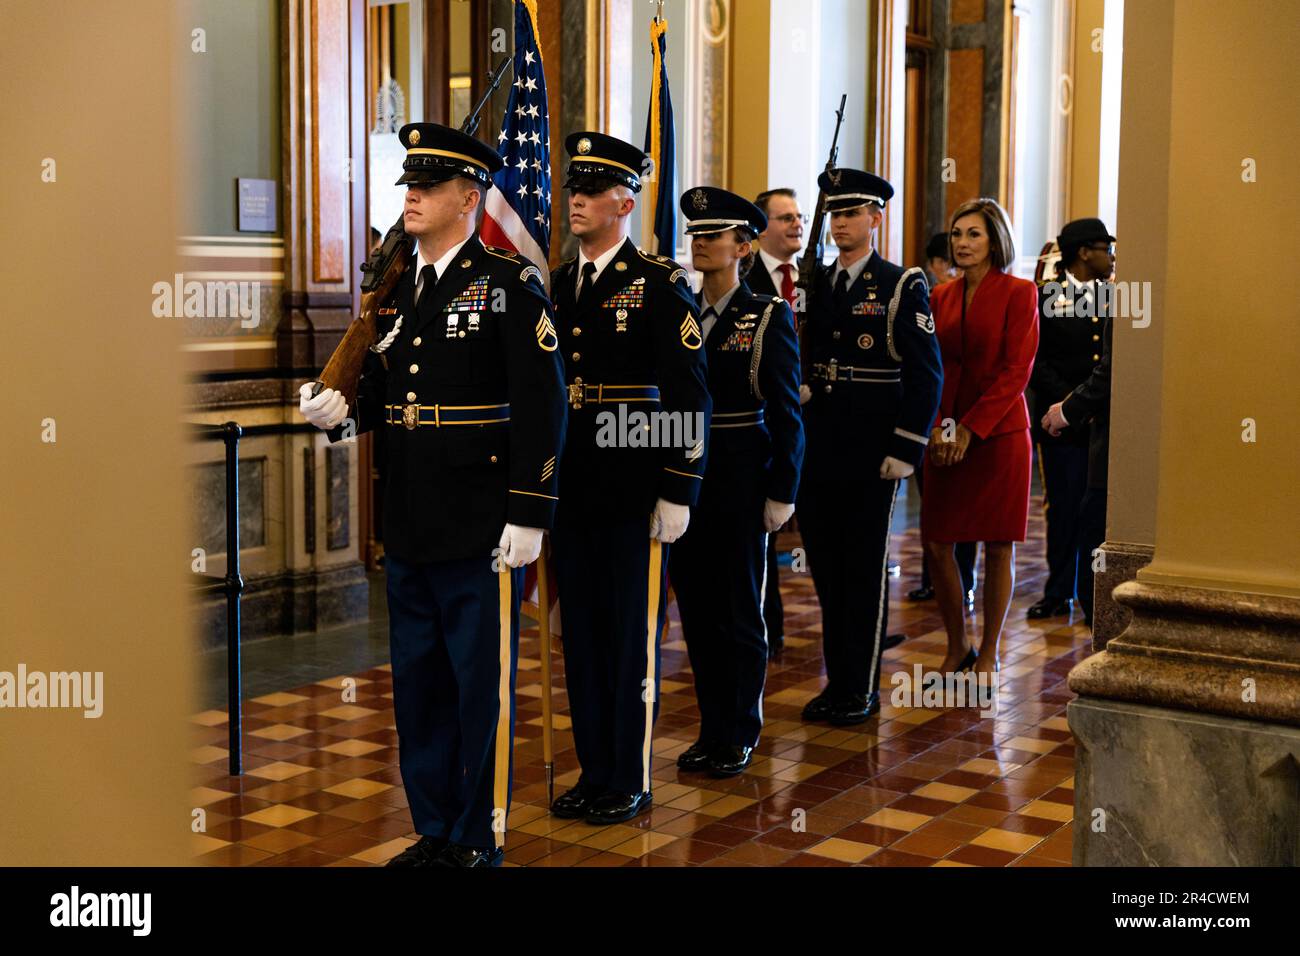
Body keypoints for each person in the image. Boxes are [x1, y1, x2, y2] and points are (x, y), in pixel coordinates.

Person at [298, 122, 566, 867]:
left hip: (483, 520)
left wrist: (530, 512)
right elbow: (392, 392)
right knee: (418, 684)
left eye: (429, 185)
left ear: (468, 199)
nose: (410, 196)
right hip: (411, 515)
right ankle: (436, 827)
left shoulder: (510, 285)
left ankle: (478, 835)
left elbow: (545, 405)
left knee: (479, 685)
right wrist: (341, 412)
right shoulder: (402, 289)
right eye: (409, 184)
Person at [547, 132, 711, 825]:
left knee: (627, 638)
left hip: (631, 488)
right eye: (571, 190)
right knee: (580, 636)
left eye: (590, 191)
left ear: (624, 200)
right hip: (572, 488)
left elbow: (689, 394)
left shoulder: (657, 283)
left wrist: (677, 487)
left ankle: (629, 773)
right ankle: (594, 769)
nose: (575, 201)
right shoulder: (557, 284)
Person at [797, 168, 943, 724]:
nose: (840, 224)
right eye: (834, 214)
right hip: (820, 445)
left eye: (851, 213)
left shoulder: (900, 283)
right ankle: (839, 681)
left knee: (861, 568)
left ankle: (859, 687)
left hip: (870, 449)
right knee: (828, 573)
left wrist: (908, 446)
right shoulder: (820, 282)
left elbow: (927, 375)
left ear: (875, 219)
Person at [670, 186, 804, 777]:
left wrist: (783, 489)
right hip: (687, 479)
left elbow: (786, 412)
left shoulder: (767, 315)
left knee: (739, 610)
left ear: (743, 247)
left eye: (714, 235)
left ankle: (740, 729)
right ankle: (710, 726)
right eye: (696, 234)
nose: (701, 244)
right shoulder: (678, 309)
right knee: (697, 610)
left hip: (741, 479)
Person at [923, 198, 1038, 676]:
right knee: (937, 541)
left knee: (997, 544)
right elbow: (931, 368)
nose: (962, 243)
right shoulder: (938, 296)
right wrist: (943, 428)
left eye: (973, 234)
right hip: (946, 434)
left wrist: (971, 428)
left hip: (1000, 435)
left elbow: (1017, 371)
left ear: (995, 241)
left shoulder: (1020, 292)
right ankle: (957, 644)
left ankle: (989, 652)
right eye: (956, 234)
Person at [1027, 218, 1115, 619]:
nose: (1110, 256)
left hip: (1098, 424)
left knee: (1095, 511)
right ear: (1083, 252)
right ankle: (1058, 589)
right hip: (1059, 423)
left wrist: (1085, 406)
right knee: (1062, 508)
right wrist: (1068, 405)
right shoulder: (1047, 297)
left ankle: (1092, 593)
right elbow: (1036, 360)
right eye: (1104, 248)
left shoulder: (1115, 297)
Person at [748, 187, 805, 657]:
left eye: (799, 216)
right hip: (765, 430)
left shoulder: (818, 279)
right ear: (760, 227)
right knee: (763, 544)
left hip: (819, 430)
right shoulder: (745, 281)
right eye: (784, 217)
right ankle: (769, 633)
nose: (796, 224)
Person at [908, 231, 978, 606]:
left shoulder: (974, 298)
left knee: (964, 505)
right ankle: (932, 578)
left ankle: (964, 580)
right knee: (933, 504)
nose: (953, 269)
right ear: (935, 266)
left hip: (969, 415)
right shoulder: (930, 299)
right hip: (934, 413)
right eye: (947, 262)